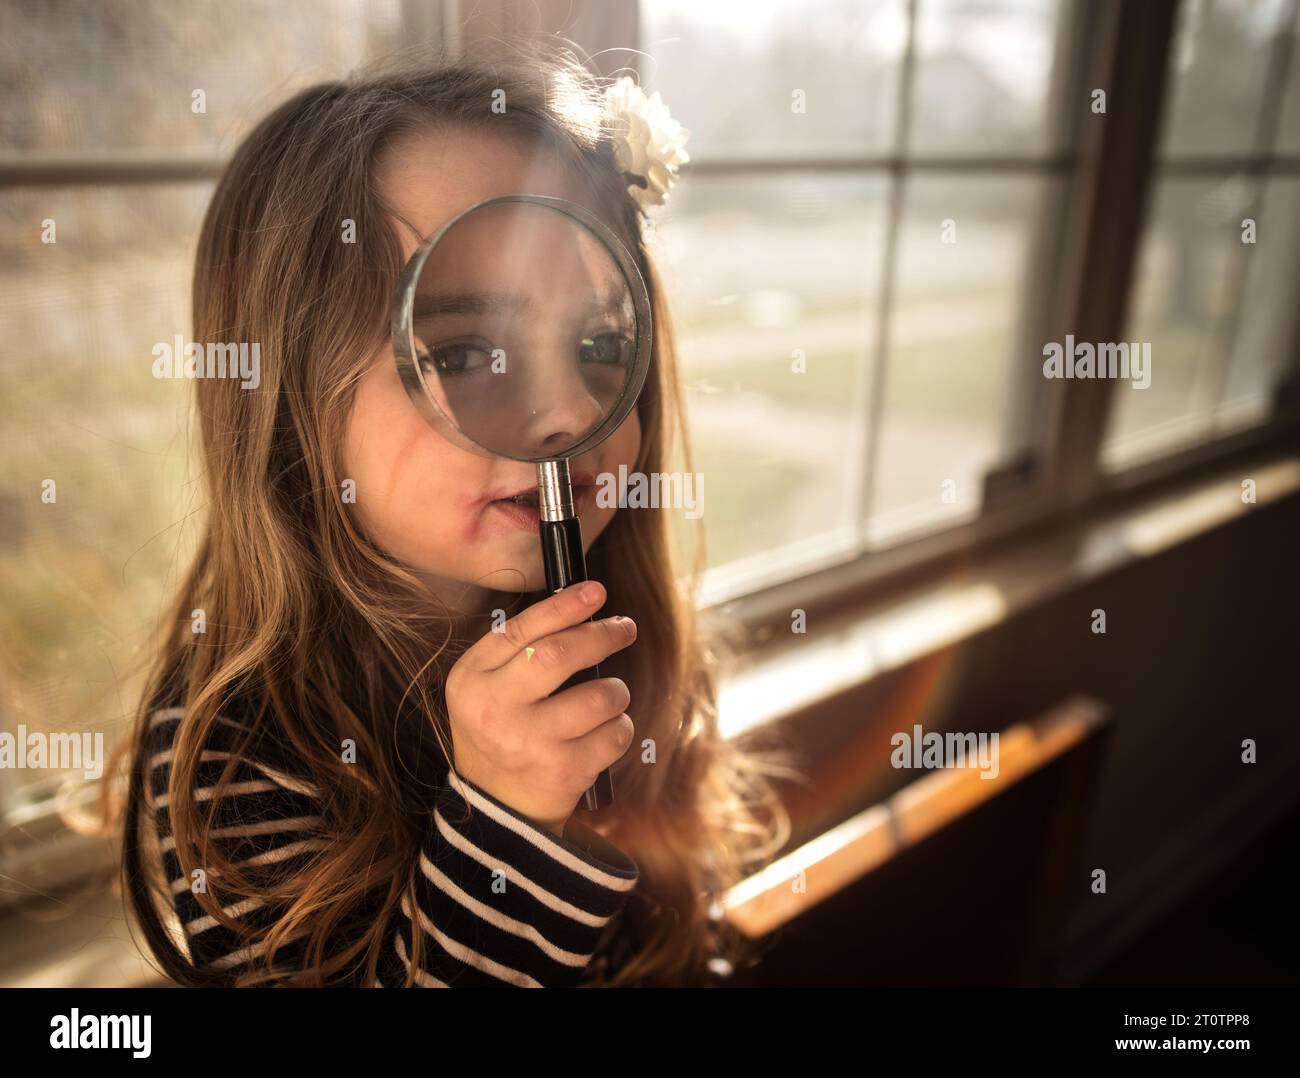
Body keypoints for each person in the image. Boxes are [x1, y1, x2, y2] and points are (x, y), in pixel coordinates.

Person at [112, 38, 796, 988]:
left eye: (602, 341)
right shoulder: (238, 747)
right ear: (285, 402)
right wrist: (506, 822)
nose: (566, 414)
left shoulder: (624, 647)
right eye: (468, 355)